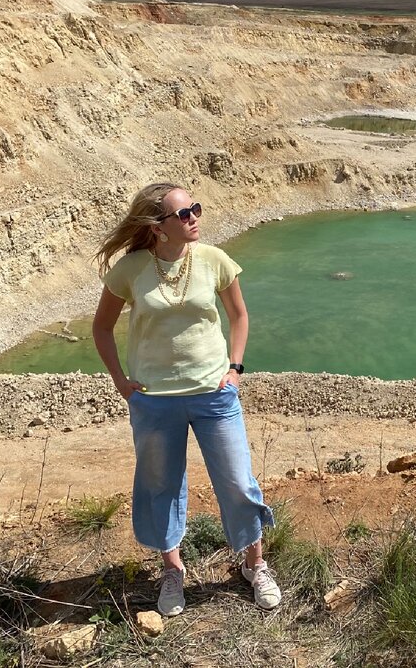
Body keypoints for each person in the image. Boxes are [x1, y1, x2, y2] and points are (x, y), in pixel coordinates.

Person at [91, 182, 281, 615]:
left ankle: (255, 565)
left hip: (214, 395)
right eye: (183, 213)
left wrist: (234, 368)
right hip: (155, 400)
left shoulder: (214, 260)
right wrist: (122, 381)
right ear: (158, 228)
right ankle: (173, 571)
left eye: (195, 208)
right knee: (161, 487)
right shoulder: (131, 269)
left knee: (237, 481)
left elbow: (239, 315)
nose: (194, 216)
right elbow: (102, 328)